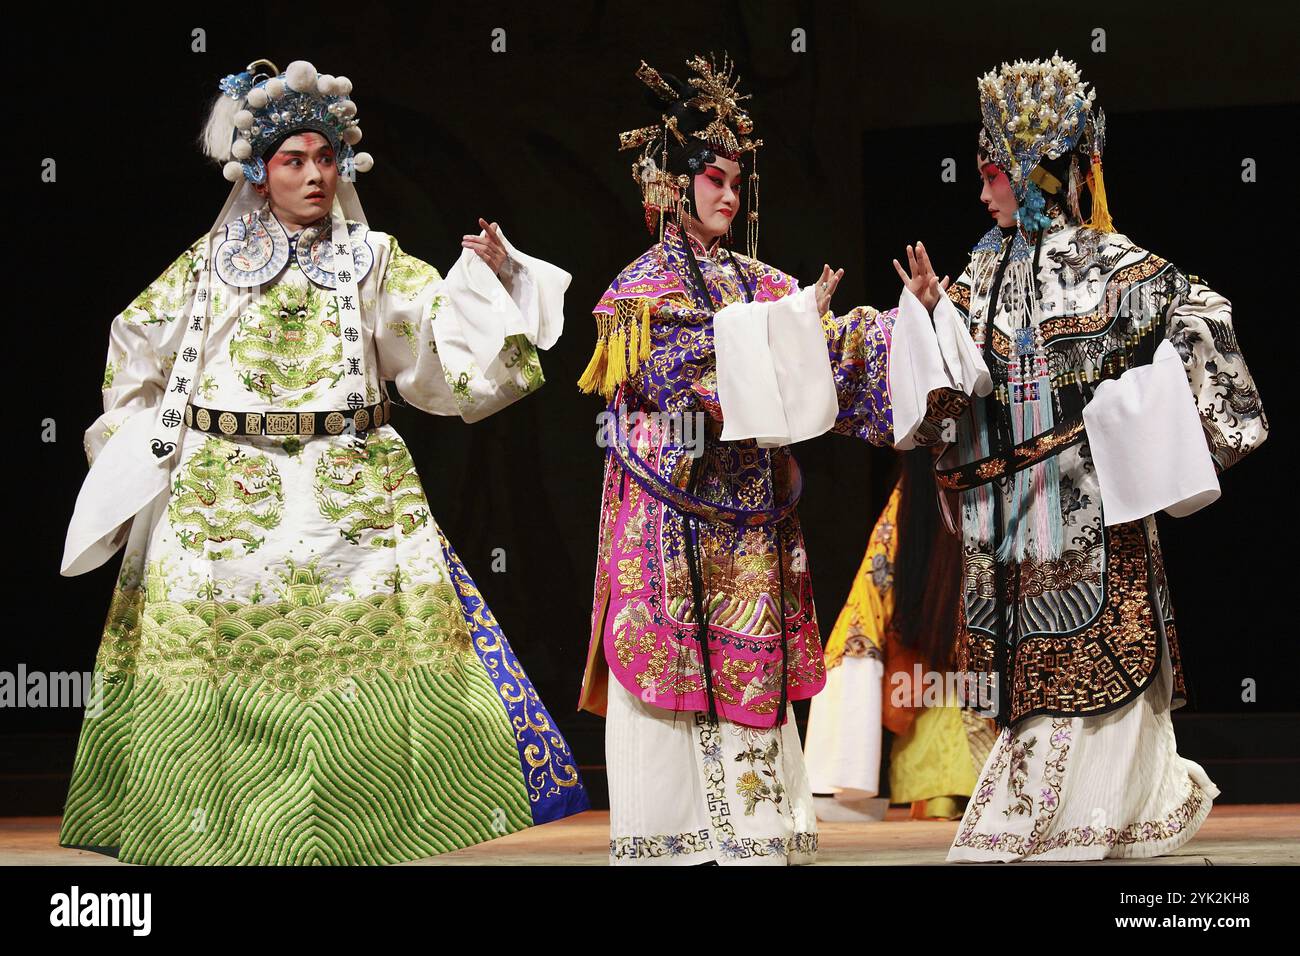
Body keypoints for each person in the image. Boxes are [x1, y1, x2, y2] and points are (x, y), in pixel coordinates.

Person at [59, 58, 588, 864]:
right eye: (292, 160)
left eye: (324, 157)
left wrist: (498, 278)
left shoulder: (372, 260)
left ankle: (373, 828)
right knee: (212, 669)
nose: (313, 174)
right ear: (257, 171)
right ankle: (215, 833)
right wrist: (140, 450)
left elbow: (441, 341)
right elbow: (135, 347)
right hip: (220, 499)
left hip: (354, 495)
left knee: (377, 673)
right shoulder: (206, 269)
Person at [889, 54, 1268, 861]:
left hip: (1092, 522)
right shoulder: (983, 269)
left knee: (1091, 687)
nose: (982, 189)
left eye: (994, 173)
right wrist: (927, 318)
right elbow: (948, 391)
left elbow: (1203, 312)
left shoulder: (1107, 263)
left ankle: (1089, 819)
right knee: (1025, 686)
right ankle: (1053, 822)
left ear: (1036, 175)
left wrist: (1139, 412)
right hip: (1009, 529)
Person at [574, 53, 942, 865]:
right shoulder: (638, 293)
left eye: (737, 180)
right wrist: (784, 329)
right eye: (713, 178)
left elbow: (839, 356)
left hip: (746, 524)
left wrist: (908, 323)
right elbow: (681, 370)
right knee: (674, 667)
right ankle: (673, 834)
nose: (729, 195)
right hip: (670, 522)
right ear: (672, 184)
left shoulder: (765, 284)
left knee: (752, 665)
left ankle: (758, 830)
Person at [805, 449, 997, 822]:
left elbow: (869, 601)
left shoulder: (911, 495)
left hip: (963, 471)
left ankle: (948, 789)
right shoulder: (913, 497)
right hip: (978, 467)